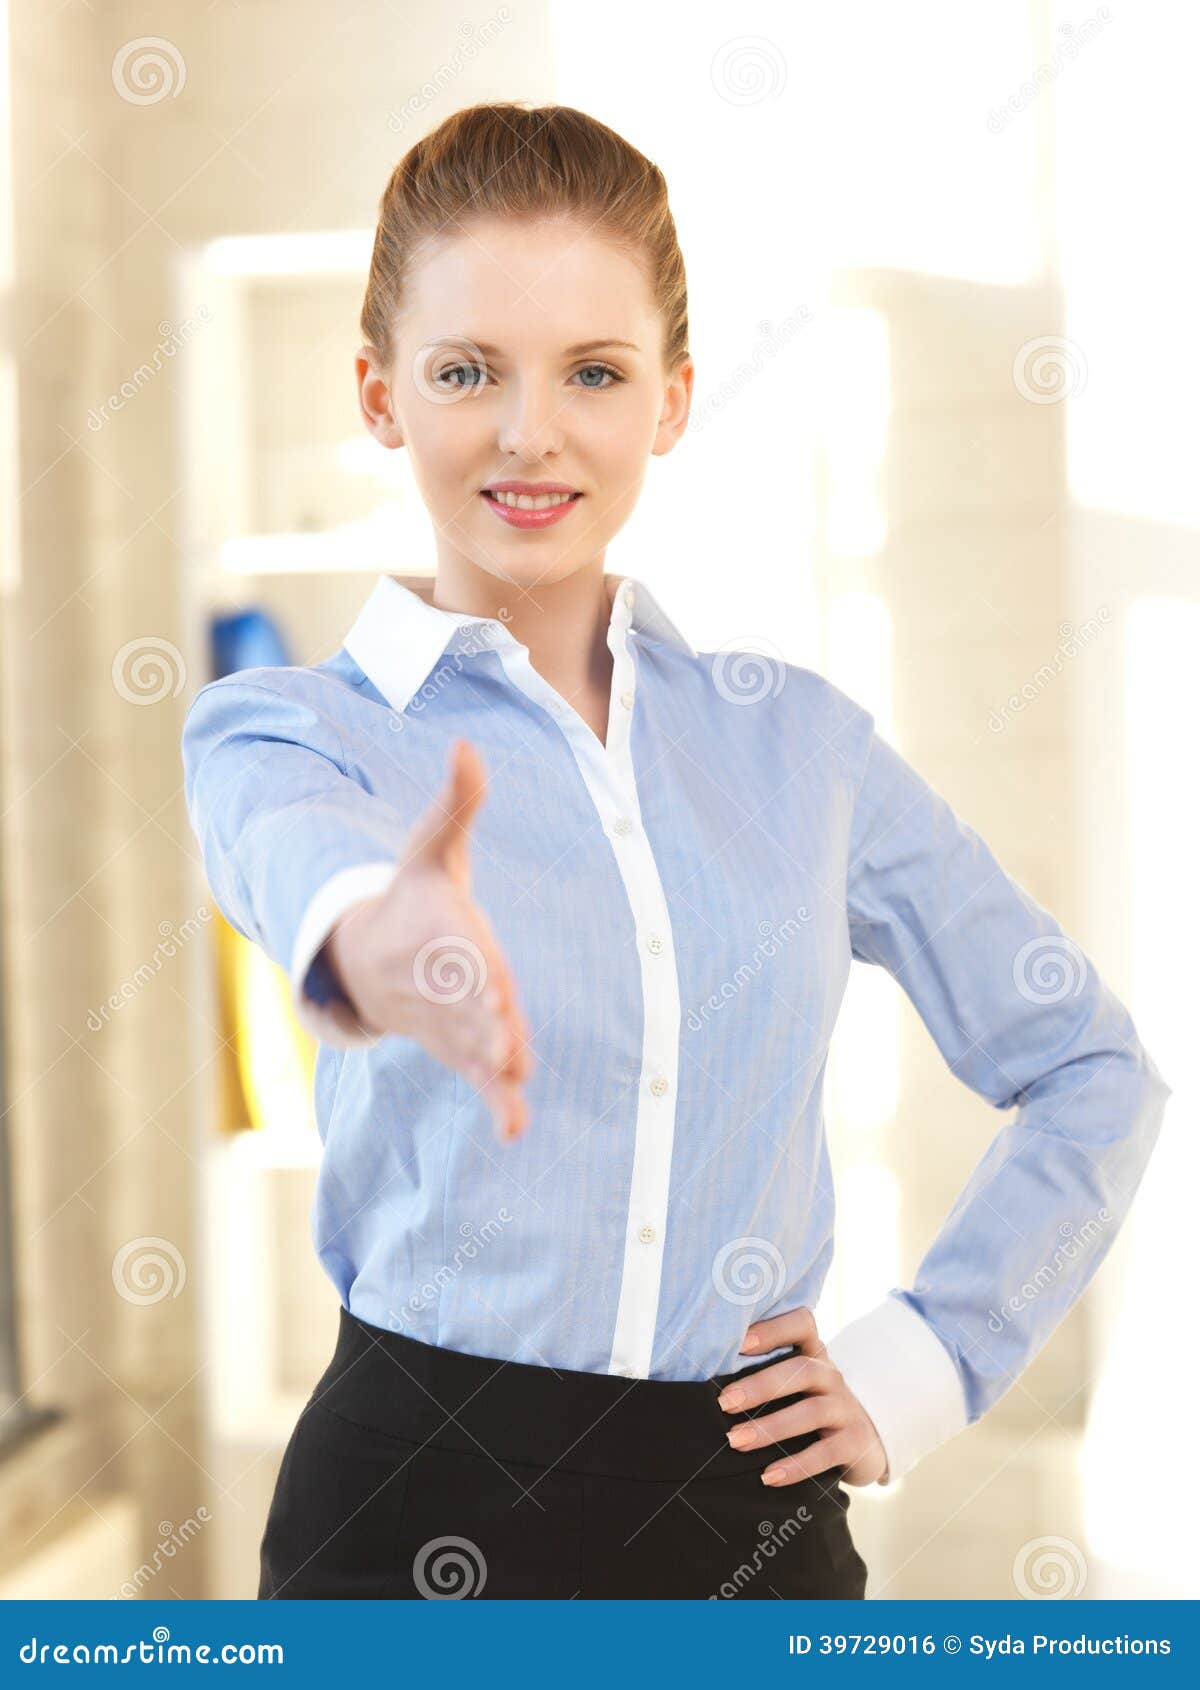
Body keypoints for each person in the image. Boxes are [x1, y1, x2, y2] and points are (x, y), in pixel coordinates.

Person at [180, 102, 1170, 1602]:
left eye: (593, 371)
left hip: (746, 1525)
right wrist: (385, 936)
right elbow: (301, 864)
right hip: (403, 1515)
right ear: (379, 394)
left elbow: (1094, 1065)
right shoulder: (288, 728)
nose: (532, 431)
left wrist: (923, 1361)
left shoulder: (805, 753)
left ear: (674, 398)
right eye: (467, 372)